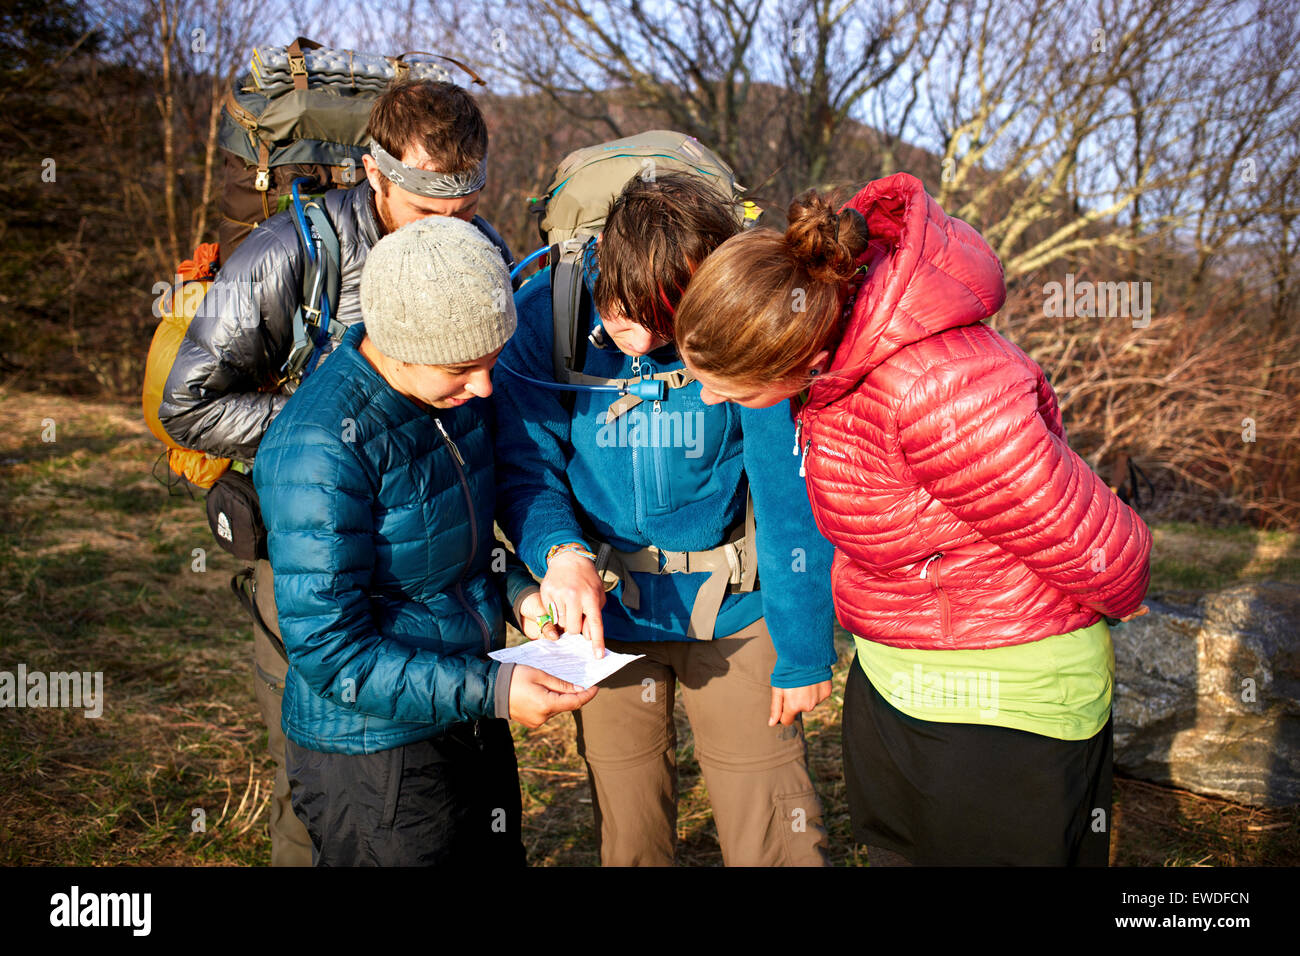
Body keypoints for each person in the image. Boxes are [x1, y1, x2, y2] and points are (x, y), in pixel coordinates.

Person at [673, 173, 1153, 866]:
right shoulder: (834, 371)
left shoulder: (937, 387)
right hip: (901, 672)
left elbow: (1081, 534)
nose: (713, 401)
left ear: (797, 357)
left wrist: (1125, 588)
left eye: (730, 388)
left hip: (1003, 698)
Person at [155, 79, 513, 866]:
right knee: (323, 769)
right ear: (375, 176)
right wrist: (347, 433)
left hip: (432, 557)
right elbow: (187, 403)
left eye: (464, 214)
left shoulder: (481, 249)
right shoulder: (290, 253)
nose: (450, 235)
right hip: (312, 541)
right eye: (425, 214)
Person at [493, 171, 837, 866]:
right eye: (625, 315)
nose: (646, 340)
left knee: (773, 824)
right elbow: (524, 463)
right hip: (608, 615)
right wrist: (559, 551)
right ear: (602, 271)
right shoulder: (547, 316)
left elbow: (785, 488)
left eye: (668, 321)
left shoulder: (747, 312)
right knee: (630, 829)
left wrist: (803, 648)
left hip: (738, 610)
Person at [252, 216, 595, 866]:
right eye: (464, 367)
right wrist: (493, 691)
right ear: (399, 345)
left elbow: (459, 551)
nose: (486, 387)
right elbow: (331, 652)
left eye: (493, 360)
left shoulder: (451, 399)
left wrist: (522, 597)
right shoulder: (319, 450)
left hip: (466, 713)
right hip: (375, 753)